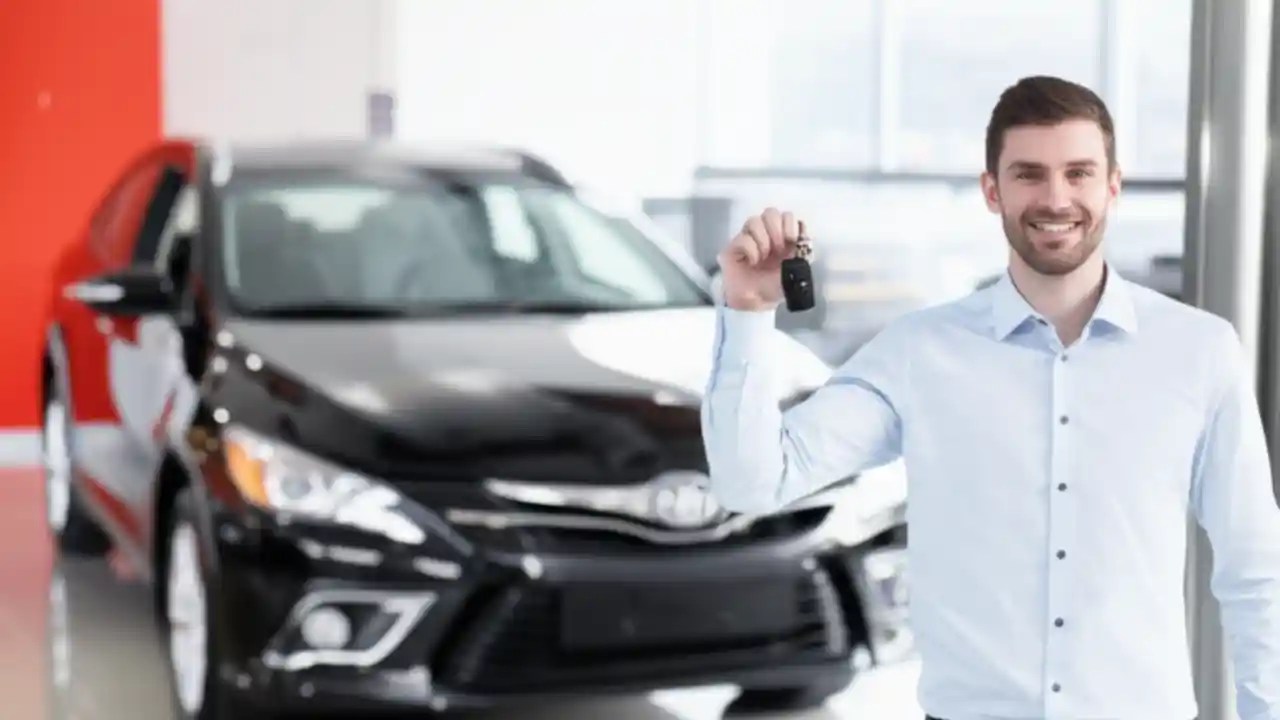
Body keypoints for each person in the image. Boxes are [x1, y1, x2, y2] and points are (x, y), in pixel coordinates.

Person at [701, 75, 1280, 719]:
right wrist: (747, 315)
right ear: (991, 190)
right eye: (1029, 174)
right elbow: (752, 483)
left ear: (1112, 185)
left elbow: (1255, 568)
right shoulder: (919, 353)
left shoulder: (1199, 352)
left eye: (1079, 173)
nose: (1056, 197)